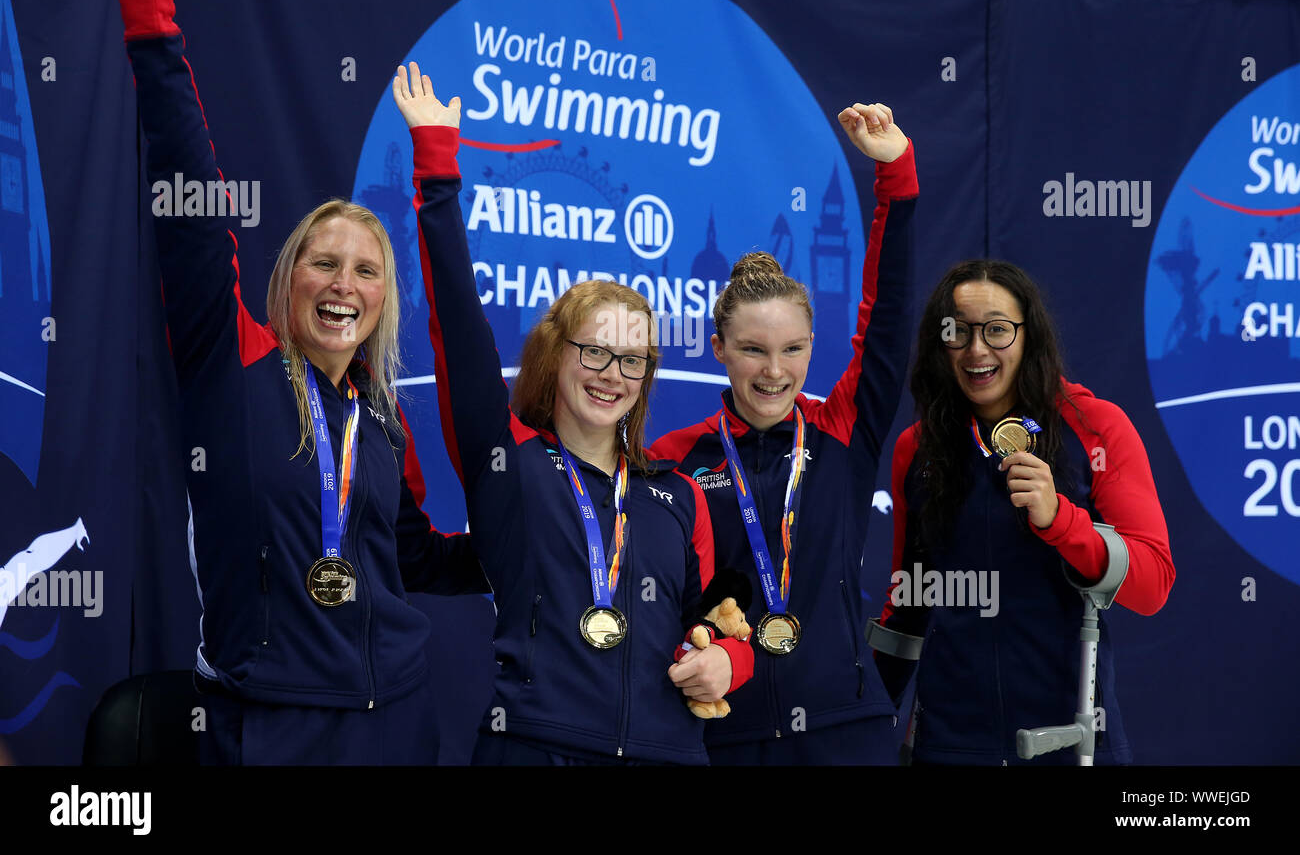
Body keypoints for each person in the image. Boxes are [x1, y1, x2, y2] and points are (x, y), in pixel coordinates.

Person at [111, 0, 488, 765]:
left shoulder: (382, 420)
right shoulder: (230, 361)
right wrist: (152, 19)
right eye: (324, 263)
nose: (344, 285)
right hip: (264, 720)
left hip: (396, 719)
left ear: (384, 299)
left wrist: (515, 550)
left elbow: (416, 557)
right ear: (289, 279)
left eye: (365, 270)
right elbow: (196, 210)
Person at [391, 62, 754, 764]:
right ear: (554, 358)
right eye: (593, 351)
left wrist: (726, 664)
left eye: (632, 359)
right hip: (535, 746)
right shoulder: (510, 467)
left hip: (667, 752)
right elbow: (461, 338)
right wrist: (438, 170)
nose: (611, 374)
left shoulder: (676, 494)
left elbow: (717, 624)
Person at [651, 103, 918, 764]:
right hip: (723, 737)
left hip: (844, 731)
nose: (775, 373)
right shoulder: (673, 458)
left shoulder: (840, 431)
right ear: (717, 347)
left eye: (793, 350)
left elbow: (887, 319)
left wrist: (896, 180)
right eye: (752, 350)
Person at [877, 259, 1176, 764]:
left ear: (1029, 335)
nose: (977, 350)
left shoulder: (1095, 427)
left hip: (1070, 739)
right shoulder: (917, 448)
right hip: (950, 745)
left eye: (997, 330)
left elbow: (1152, 584)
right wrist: (867, 723)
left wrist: (1061, 520)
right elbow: (908, 603)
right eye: (958, 332)